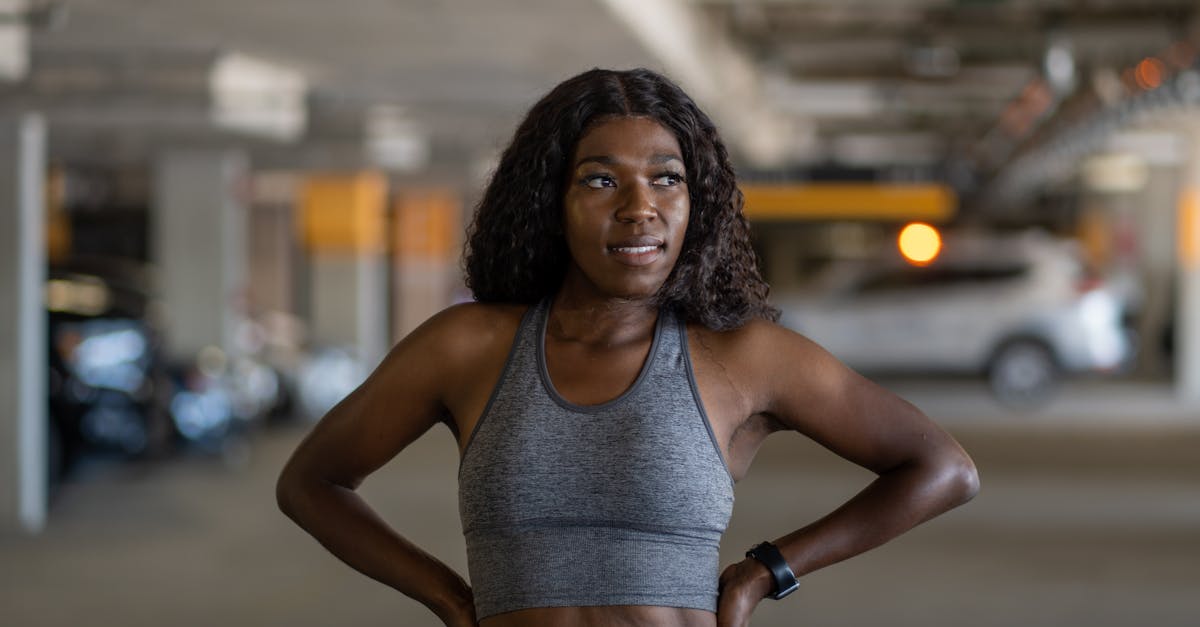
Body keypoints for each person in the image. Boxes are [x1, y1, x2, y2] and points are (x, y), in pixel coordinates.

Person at [276, 67, 979, 627]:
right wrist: (451, 599)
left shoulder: (743, 357)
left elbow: (942, 468)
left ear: (693, 201)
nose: (638, 206)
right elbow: (312, 482)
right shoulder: (468, 346)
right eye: (602, 179)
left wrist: (766, 571)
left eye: (666, 178)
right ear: (551, 200)